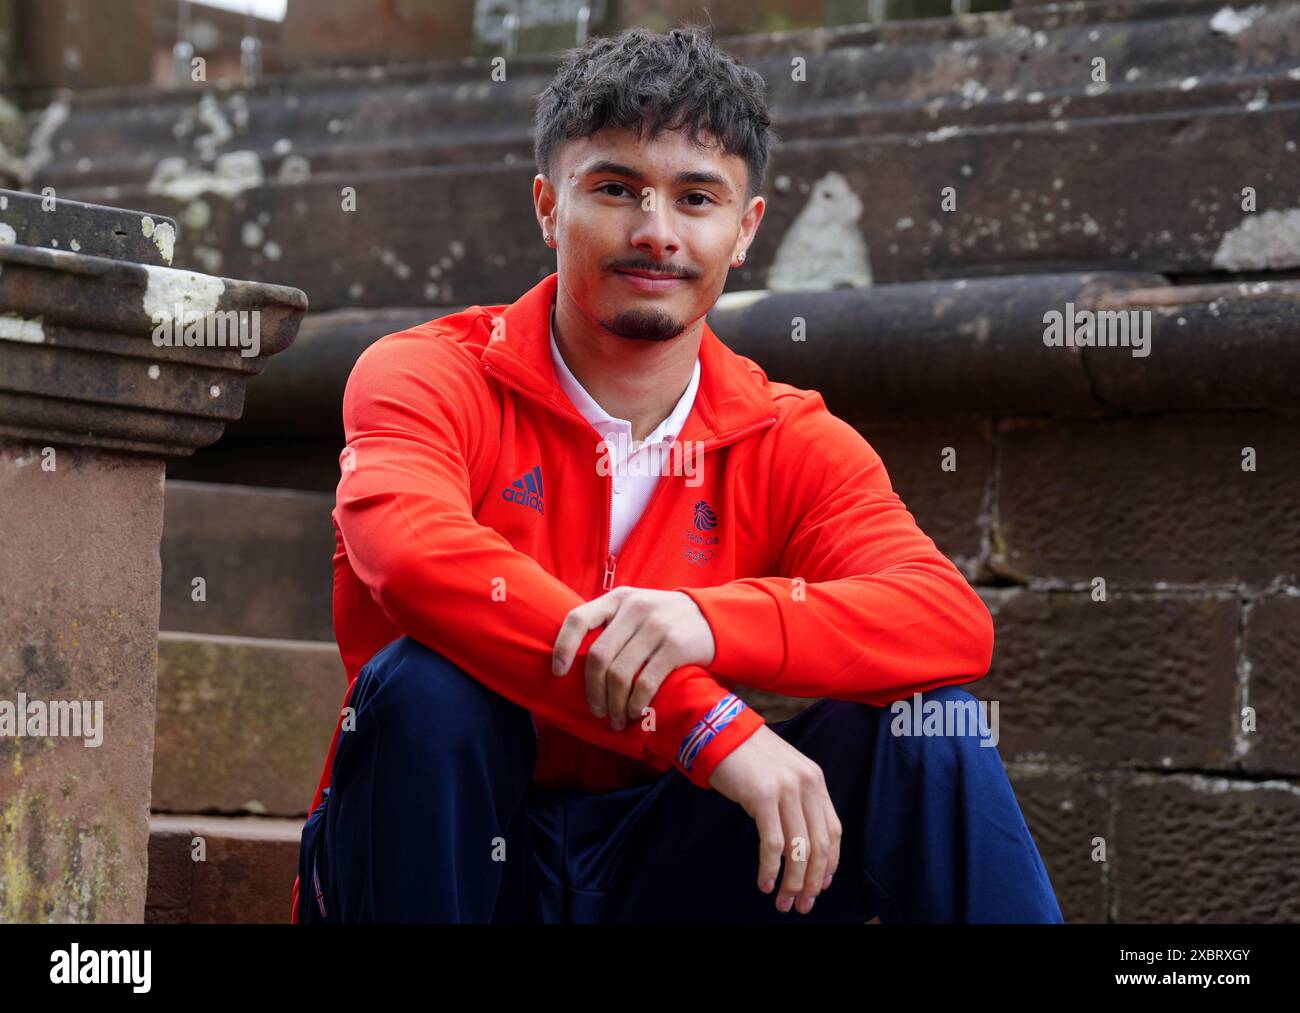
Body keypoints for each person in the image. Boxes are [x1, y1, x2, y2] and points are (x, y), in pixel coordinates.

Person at [292, 24, 1063, 924]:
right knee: (432, 685)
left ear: (745, 230)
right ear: (548, 206)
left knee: (933, 726)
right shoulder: (429, 372)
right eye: (617, 189)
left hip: (669, 868)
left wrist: (706, 621)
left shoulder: (788, 436)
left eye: (697, 198)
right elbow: (413, 556)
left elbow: (946, 618)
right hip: (449, 852)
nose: (656, 232)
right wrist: (706, 722)